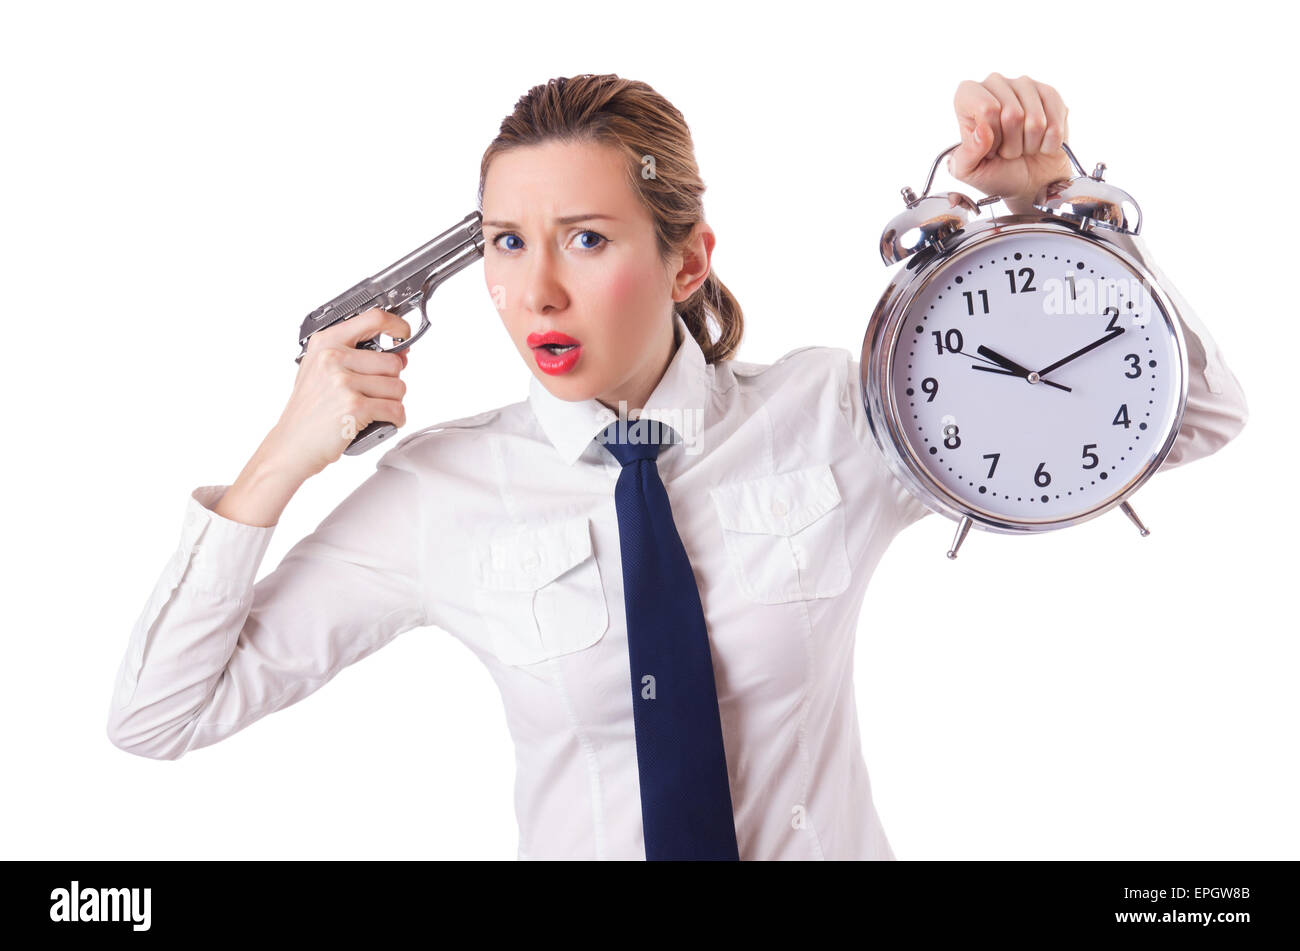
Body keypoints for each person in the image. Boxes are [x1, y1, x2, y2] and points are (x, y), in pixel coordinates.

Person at [105, 72, 1249, 860]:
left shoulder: (834, 414)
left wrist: (1053, 213)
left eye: (586, 238)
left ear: (688, 259)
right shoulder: (437, 497)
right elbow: (158, 718)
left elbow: (1192, 416)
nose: (536, 290)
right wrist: (279, 461)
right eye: (508, 243)